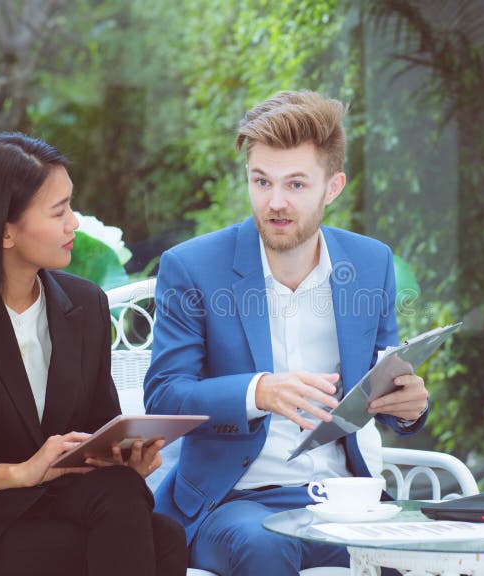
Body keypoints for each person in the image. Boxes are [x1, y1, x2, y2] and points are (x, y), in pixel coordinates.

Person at [144, 90, 429, 576]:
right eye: (262, 181)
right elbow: (165, 397)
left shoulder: (370, 262)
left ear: (332, 187)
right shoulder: (192, 267)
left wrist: (409, 407)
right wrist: (258, 392)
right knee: (267, 547)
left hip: (345, 503)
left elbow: (381, 384)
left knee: (420, 555)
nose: (275, 202)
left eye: (296, 184)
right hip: (234, 503)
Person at [0, 133, 187, 576]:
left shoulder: (85, 305)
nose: (74, 223)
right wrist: (22, 472)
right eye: (58, 212)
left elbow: (98, 425)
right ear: (5, 230)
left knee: (152, 522)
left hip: (57, 502)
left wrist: (123, 456)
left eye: (70, 206)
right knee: (142, 544)